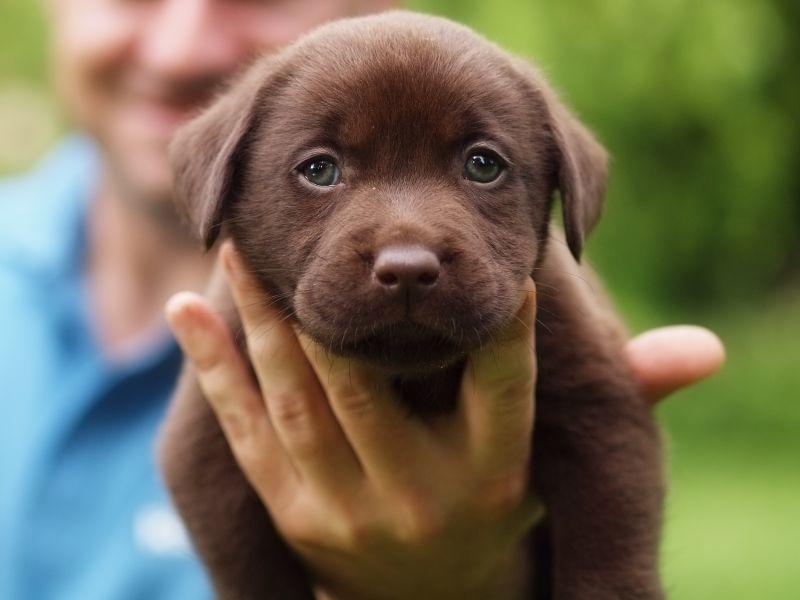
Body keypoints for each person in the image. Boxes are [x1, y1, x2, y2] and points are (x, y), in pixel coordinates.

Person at [0, 1, 725, 599]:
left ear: (564, 194)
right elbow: (198, 462)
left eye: (483, 165)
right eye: (318, 169)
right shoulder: (219, 318)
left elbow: (607, 436)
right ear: (224, 188)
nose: (406, 252)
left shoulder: (552, 309)